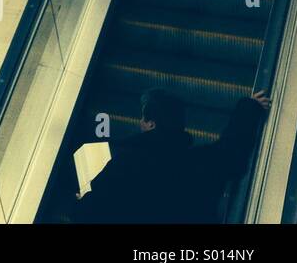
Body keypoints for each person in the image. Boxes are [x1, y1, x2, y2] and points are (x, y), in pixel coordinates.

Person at [73, 90, 270, 224]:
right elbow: (232, 149)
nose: (141, 122)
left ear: (151, 124)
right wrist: (249, 107)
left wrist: (82, 200)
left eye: (143, 117)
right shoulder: (201, 162)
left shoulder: (126, 162)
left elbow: (87, 214)